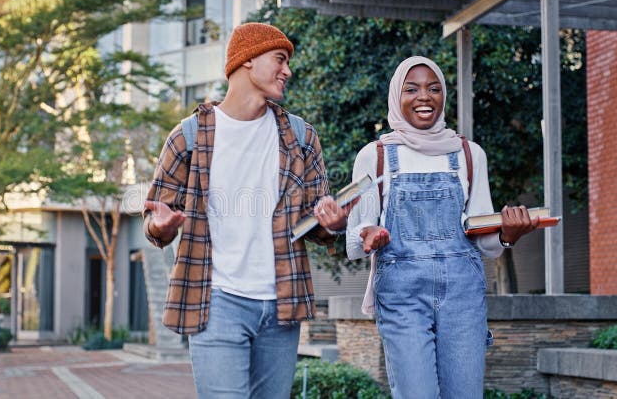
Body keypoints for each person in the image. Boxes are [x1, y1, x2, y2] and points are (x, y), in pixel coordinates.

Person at [143, 22, 353, 399]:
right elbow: (155, 222)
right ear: (248, 61)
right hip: (216, 300)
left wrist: (332, 223)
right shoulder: (188, 137)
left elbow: (316, 222)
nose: (287, 70)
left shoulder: (303, 139)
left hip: (281, 303)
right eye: (280, 59)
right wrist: (161, 226)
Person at [346, 56, 539, 399]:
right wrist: (368, 235)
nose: (425, 96)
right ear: (396, 96)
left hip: (462, 296)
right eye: (412, 89)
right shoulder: (373, 156)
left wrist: (509, 233)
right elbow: (351, 241)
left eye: (434, 88)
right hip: (402, 296)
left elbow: (484, 243)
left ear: (444, 96)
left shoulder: (468, 154)